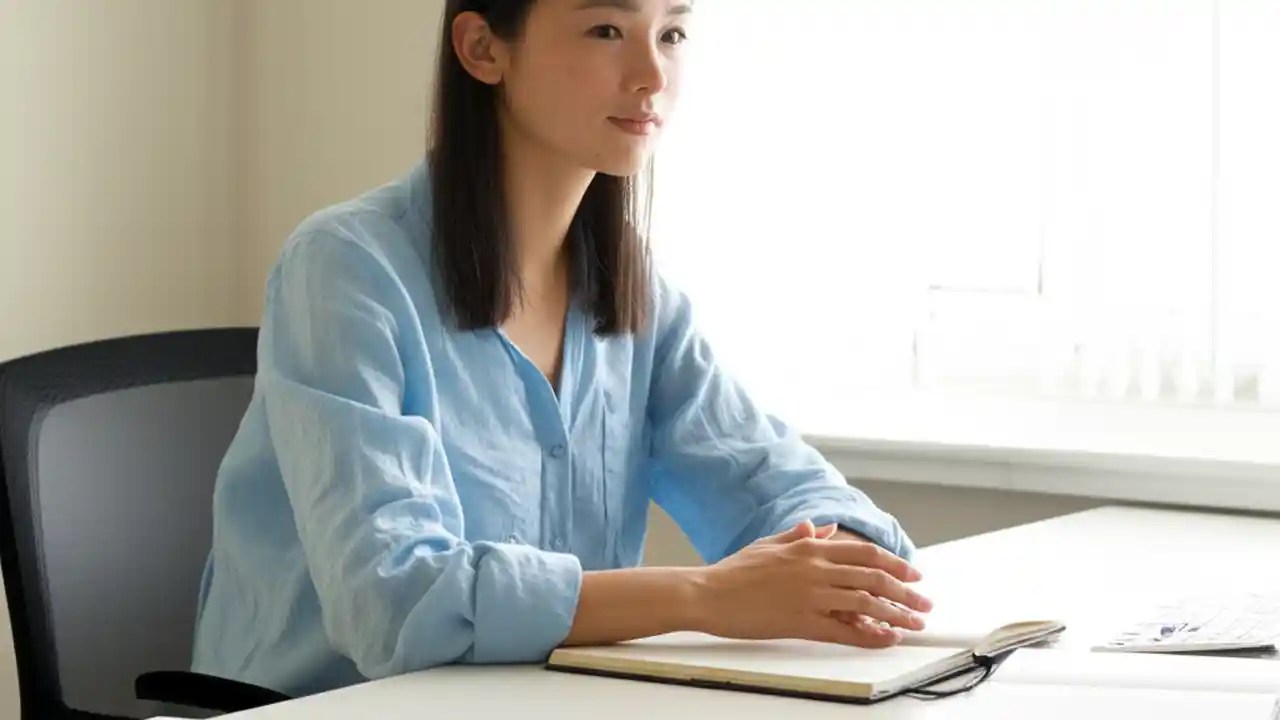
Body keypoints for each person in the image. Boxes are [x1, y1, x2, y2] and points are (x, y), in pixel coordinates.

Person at [191, 0, 932, 698]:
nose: (652, 77)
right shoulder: (345, 269)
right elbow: (393, 601)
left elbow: (776, 483)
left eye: (671, 33)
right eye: (605, 30)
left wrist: (832, 561)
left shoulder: (632, 294)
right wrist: (708, 596)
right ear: (483, 49)